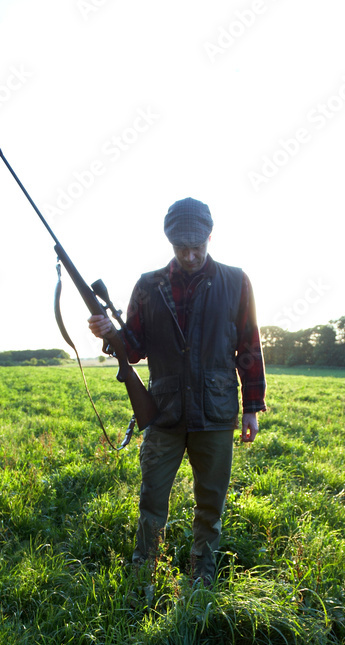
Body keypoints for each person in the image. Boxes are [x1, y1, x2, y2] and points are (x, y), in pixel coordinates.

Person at [88, 196, 266, 584]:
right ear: (170, 242)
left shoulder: (236, 281)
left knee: (210, 505)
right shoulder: (148, 285)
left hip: (216, 412)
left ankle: (201, 578)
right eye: (181, 247)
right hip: (164, 413)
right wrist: (109, 333)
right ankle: (144, 574)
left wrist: (252, 406)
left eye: (197, 246)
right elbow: (132, 347)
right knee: (152, 499)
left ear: (210, 237)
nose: (189, 255)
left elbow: (249, 346)